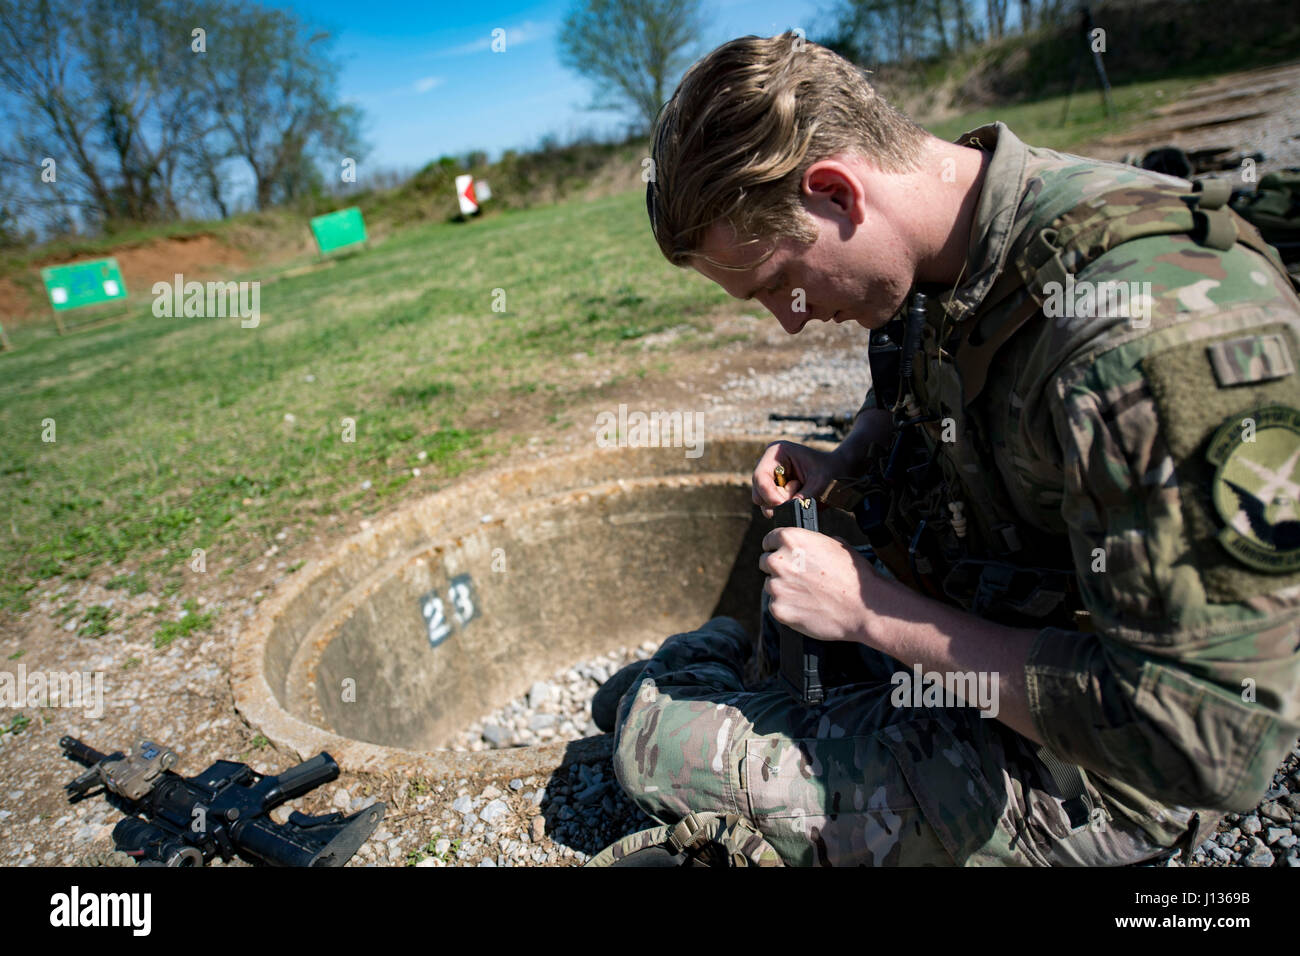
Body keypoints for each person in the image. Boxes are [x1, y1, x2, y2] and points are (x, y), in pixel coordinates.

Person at [608, 32, 1300, 866]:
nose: (788, 321)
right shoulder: (947, 241)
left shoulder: (1143, 335)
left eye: (774, 286)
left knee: (655, 744)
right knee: (722, 668)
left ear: (834, 193)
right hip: (978, 626)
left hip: (1097, 766)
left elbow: (1209, 740)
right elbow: (926, 390)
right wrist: (849, 456)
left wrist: (876, 614)